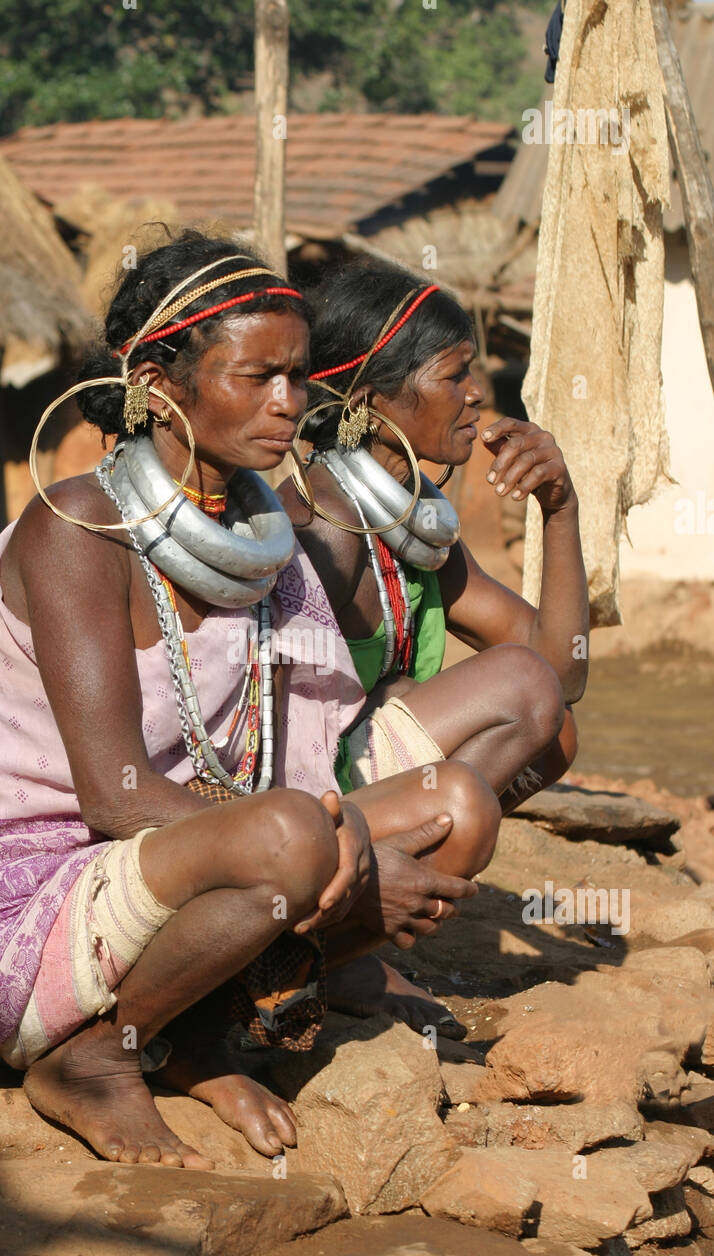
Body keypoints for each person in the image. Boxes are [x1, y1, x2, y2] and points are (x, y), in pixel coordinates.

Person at [0, 232, 497, 1168]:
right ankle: (96, 1055)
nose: (288, 404)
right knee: (300, 838)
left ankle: (206, 1035)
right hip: (47, 888)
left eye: (300, 379)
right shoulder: (77, 533)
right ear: (159, 382)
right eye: (257, 376)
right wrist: (330, 852)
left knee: (458, 806)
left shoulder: (266, 535)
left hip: (207, 848)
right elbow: (113, 795)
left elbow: (305, 746)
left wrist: (325, 838)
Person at [279, 259, 588, 1028]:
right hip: (291, 807)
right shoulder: (324, 526)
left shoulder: (414, 531)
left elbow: (565, 674)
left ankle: (348, 952)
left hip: (348, 791)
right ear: (372, 400)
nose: (478, 395)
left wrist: (562, 511)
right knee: (506, 719)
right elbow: (265, 746)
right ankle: (298, 953)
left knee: (553, 728)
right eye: (455, 375)